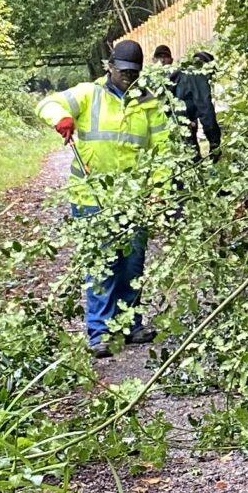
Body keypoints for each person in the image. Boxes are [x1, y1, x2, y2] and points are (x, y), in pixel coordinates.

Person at [37, 38, 168, 357]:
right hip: (91, 197)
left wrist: (159, 190)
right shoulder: (88, 94)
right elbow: (48, 104)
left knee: (132, 265)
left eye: (134, 72)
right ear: (110, 67)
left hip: (134, 200)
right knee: (101, 265)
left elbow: (164, 150)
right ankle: (99, 332)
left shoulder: (149, 104)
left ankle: (130, 325)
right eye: (123, 70)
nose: (128, 76)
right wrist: (61, 119)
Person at [171, 49, 223, 161]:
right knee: (192, 162)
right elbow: (205, 109)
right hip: (182, 127)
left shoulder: (181, 72)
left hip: (170, 127)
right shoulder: (198, 75)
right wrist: (214, 142)